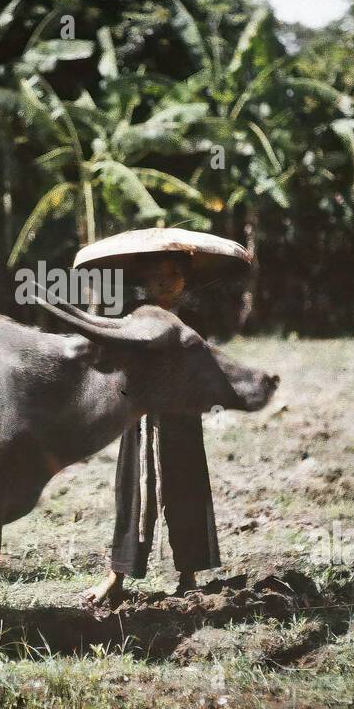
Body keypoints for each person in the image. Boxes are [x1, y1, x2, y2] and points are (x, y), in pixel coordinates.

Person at [84, 252, 222, 606]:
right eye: (156, 274)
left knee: (186, 489)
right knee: (133, 493)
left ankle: (188, 574)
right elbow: (111, 360)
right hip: (140, 418)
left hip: (182, 416)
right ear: (144, 279)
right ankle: (116, 576)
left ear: (185, 280)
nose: (164, 281)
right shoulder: (133, 316)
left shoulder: (194, 320)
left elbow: (205, 366)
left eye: (173, 273)